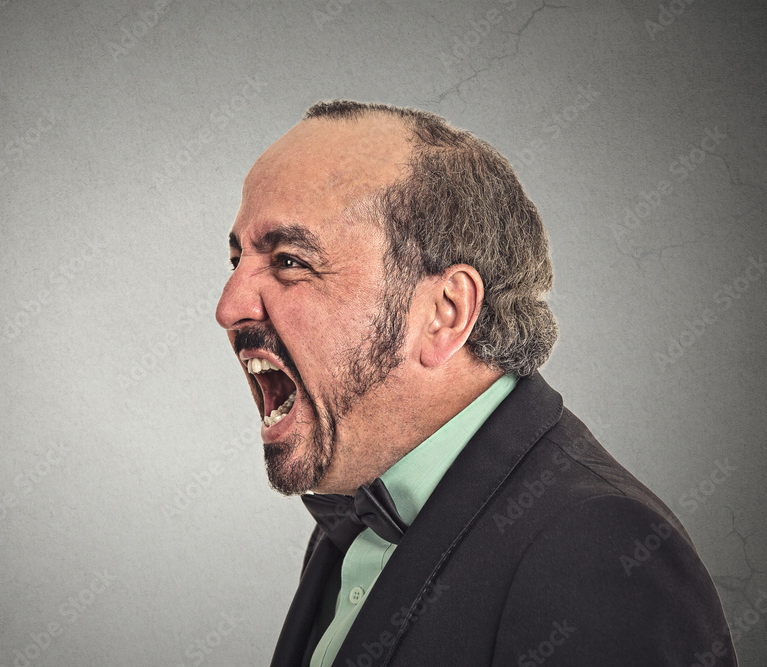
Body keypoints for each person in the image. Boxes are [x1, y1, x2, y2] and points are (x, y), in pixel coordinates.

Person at [214, 100, 737, 666]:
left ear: (445, 312)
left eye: (289, 260)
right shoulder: (357, 504)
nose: (229, 307)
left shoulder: (602, 552)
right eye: (237, 259)